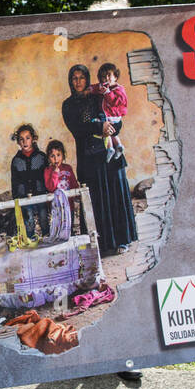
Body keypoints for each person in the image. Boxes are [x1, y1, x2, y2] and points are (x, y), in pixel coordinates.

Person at [60, 64, 136, 255]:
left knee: (115, 196)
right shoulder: (68, 105)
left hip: (110, 157)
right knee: (95, 201)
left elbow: (116, 116)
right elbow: (77, 130)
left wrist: (110, 129)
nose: (78, 82)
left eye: (82, 77)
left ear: (87, 78)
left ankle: (121, 240)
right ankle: (100, 245)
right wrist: (98, 128)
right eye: (74, 78)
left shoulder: (99, 95)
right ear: (70, 81)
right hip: (89, 158)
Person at [9, 123, 49, 239]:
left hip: (41, 193)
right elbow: (14, 181)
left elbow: (47, 175)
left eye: (27, 138)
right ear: (18, 142)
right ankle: (31, 242)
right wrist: (16, 198)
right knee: (28, 220)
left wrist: (48, 192)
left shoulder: (41, 157)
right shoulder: (16, 161)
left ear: (33, 139)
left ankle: (48, 240)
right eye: (21, 139)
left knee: (43, 218)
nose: (24, 142)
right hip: (24, 196)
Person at [92, 62, 129, 162]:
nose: (106, 78)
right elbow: (96, 88)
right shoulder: (104, 87)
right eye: (104, 76)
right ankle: (119, 145)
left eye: (109, 75)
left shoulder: (119, 89)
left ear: (115, 77)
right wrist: (90, 89)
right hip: (110, 116)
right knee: (113, 133)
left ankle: (110, 148)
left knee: (106, 129)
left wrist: (107, 93)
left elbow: (116, 101)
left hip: (113, 116)